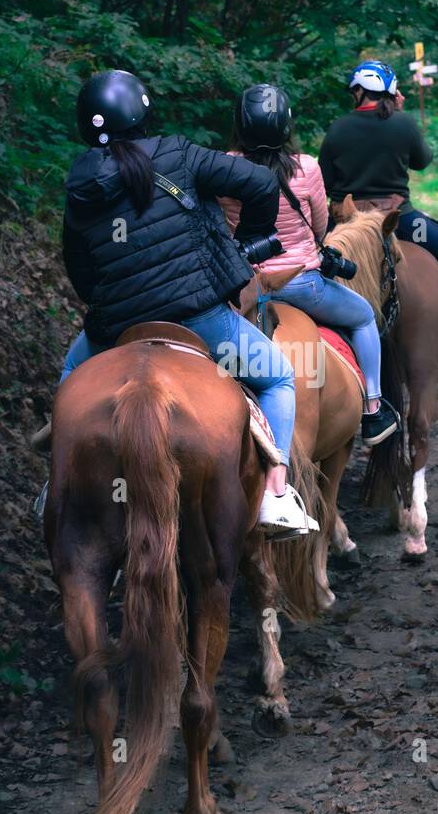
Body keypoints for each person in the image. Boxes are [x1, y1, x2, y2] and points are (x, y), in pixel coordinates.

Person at [44, 69, 319, 537]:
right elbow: (258, 182)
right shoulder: (179, 153)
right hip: (201, 319)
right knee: (276, 377)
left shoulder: (80, 183)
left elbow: (79, 266)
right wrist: (250, 242)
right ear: (143, 110)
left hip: (117, 324)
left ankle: (57, 487)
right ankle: (275, 495)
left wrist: (112, 305)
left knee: (72, 378)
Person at [222, 84, 400, 446]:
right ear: (286, 126)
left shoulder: (224, 168)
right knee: (364, 316)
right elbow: (320, 226)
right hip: (302, 285)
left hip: (245, 287)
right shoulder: (306, 167)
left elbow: (225, 228)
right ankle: (373, 408)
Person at [318, 60, 438, 358]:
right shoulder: (404, 123)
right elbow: (422, 161)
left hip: (349, 225)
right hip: (398, 221)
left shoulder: (338, 128)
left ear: (359, 92)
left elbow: (326, 181)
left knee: (319, 266)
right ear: (390, 93)